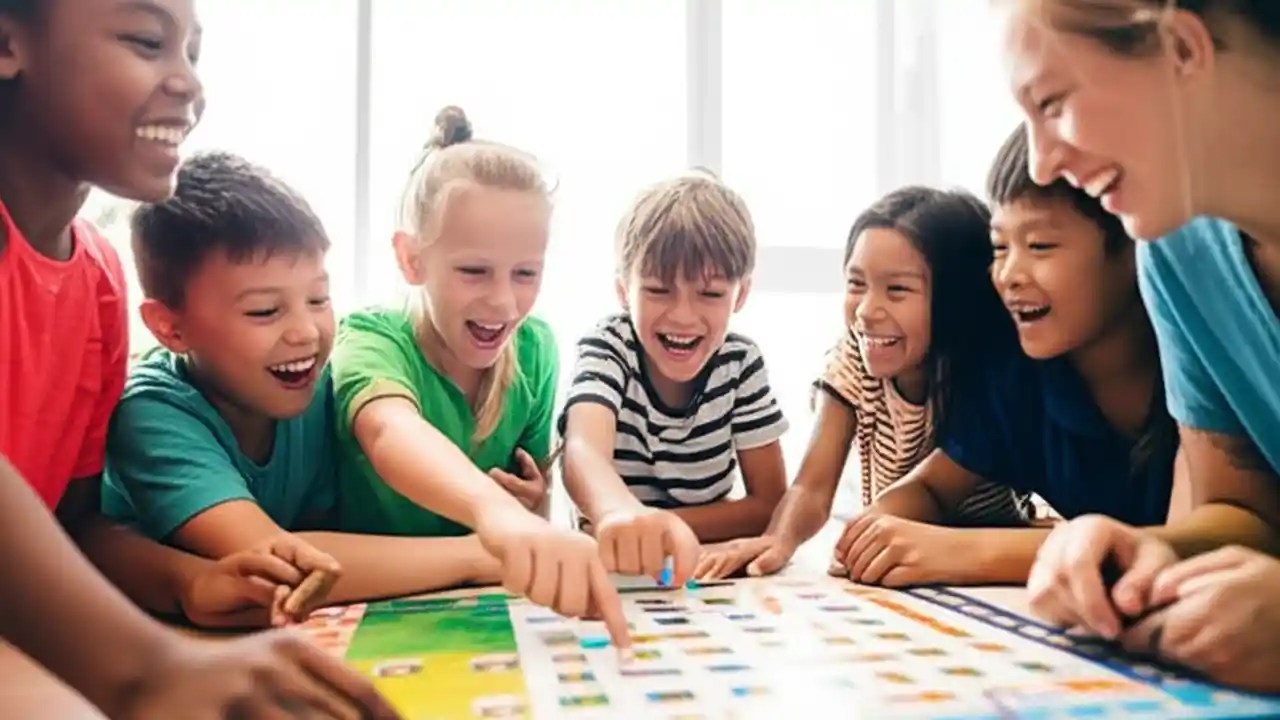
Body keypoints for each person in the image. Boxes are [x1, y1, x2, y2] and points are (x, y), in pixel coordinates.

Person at [0, 0, 399, 715]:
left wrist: (191, 584)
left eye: (194, 51)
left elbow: (76, 527)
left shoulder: (95, 274)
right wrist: (149, 669)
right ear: (7, 43)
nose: (187, 82)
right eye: (147, 41)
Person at [995, 0, 1280, 692]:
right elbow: (1248, 512)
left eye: (1053, 103)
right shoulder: (1176, 250)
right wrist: (1140, 549)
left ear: (1182, 49)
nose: (1044, 161)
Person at [104, 151, 502, 604]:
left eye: (318, 299)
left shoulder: (318, 389)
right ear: (170, 327)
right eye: (264, 311)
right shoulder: (153, 416)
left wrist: (498, 491)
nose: (306, 332)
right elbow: (288, 564)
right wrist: (480, 556)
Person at [825, 125, 1178, 588]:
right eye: (999, 248)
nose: (1009, 273)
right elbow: (932, 487)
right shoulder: (1020, 374)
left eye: (1040, 246)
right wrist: (874, 530)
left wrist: (965, 552)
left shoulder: (1193, 361)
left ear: (1135, 243)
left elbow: (1191, 542)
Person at [330, 106, 629, 647]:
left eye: (526, 273)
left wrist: (532, 505)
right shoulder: (372, 337)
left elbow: (530, 510)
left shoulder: (535, 349)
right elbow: (388, 430)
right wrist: (495, 518)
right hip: (370, 604)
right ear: (410, 258)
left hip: (479, 612)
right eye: (473, 271)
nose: (503, 301)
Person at [695, 185, 1032, 580]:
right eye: (856, 284)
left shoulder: (984, 373)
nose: (868, 311)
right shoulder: (853, 357)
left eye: (897, 290)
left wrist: (865, 532)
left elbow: (936, 491)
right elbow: (812, 486)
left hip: (983, 554)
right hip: (895, 550)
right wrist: (778, 539)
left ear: (957, 300)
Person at [559, 171, 787, 584]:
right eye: (658, 291)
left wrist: (659, 526)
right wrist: (616, 514)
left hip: (703, 569)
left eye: (711, 294)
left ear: (742, 294)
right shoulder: (609, 346)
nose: (683, 315)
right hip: (615, 571)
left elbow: (769, 503)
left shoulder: (740, 363)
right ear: (623, 292)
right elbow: (581, 449)